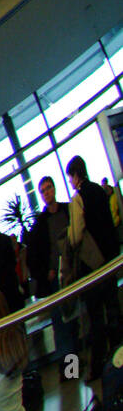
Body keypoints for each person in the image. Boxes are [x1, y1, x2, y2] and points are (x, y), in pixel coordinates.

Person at [67, 156, 122, 381]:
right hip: (110, 259)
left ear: (75, 175)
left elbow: (76, 235)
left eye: (71, 176)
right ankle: (119, 354)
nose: (70, 181)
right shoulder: (101, 192)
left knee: (95, 317)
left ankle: (99, 365)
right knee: (114, 309)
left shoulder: (78, 199)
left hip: (92, 267)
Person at [26, 176, 76, 362]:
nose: (47, 193)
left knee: (73, 317)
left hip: (72, 270)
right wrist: (46, 272)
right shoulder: (41, 223)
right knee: (60, 322)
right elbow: (34, 255)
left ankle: (74, 362)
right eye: (43, 190)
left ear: (54, 189)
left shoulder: (67, 210)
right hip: (56, 277)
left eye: (49, 188)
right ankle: (69, 368)